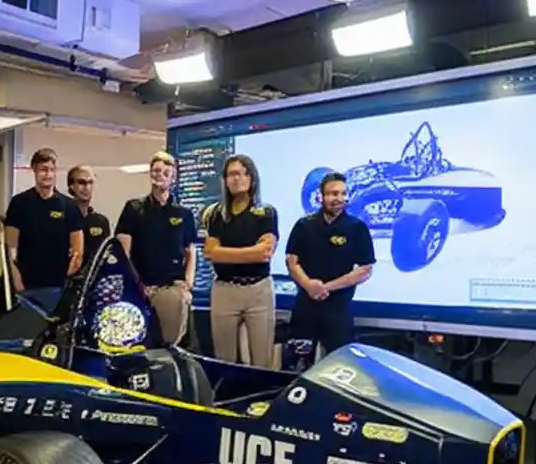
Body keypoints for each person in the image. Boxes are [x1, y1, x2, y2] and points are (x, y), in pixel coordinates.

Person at [283, 171, 374, 367]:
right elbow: (291, 261)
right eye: (333, 194)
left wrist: (326, 288)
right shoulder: (304, 225)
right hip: (305, 308)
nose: (339, 199)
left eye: (342, 193)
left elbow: (365, 269)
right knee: (296, 366)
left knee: (341, 366)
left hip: (338, 310)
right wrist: (308, 285)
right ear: (321, 197)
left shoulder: (357, 228)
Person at [202, 154, 279, 367]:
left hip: (258, 290)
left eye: (244, 173)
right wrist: (250, 252)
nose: (238, 179)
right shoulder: (215, 214)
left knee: (262, 359)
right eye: (233, 174)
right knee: (224, 360)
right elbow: (210, 253)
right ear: (225, 179)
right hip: (225, 290)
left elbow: (265, 253)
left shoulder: (266, 213)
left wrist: (225, 253)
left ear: (252, 178)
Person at [115, 151, 197, 345]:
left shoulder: (183, 214)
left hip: (170, 289)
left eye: (166, 171)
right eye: (156, 170)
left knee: (168, 345)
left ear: (173, 176)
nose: (160, 175)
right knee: (135, 343)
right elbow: (123, 252)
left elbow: (191, 251)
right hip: (139, 288)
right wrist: (135, 284)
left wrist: (188, 284)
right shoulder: (134, 208)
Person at [4, 148, 84, 293]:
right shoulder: (19, 203)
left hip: (58, 286)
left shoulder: (69, 206)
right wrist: (16, 279)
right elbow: (10, 247)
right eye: (43, 170)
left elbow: (78, 251)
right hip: (27, 285)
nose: (47, 174)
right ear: (34, 170)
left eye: (51, 170)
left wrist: (66, 279)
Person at [66, 164, 111, 271]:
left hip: (92, 281)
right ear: (71, 186)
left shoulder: (101, 221)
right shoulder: (63, 217)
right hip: (65, 280)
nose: (86, 187)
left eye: (90, 182)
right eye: (81, 182)